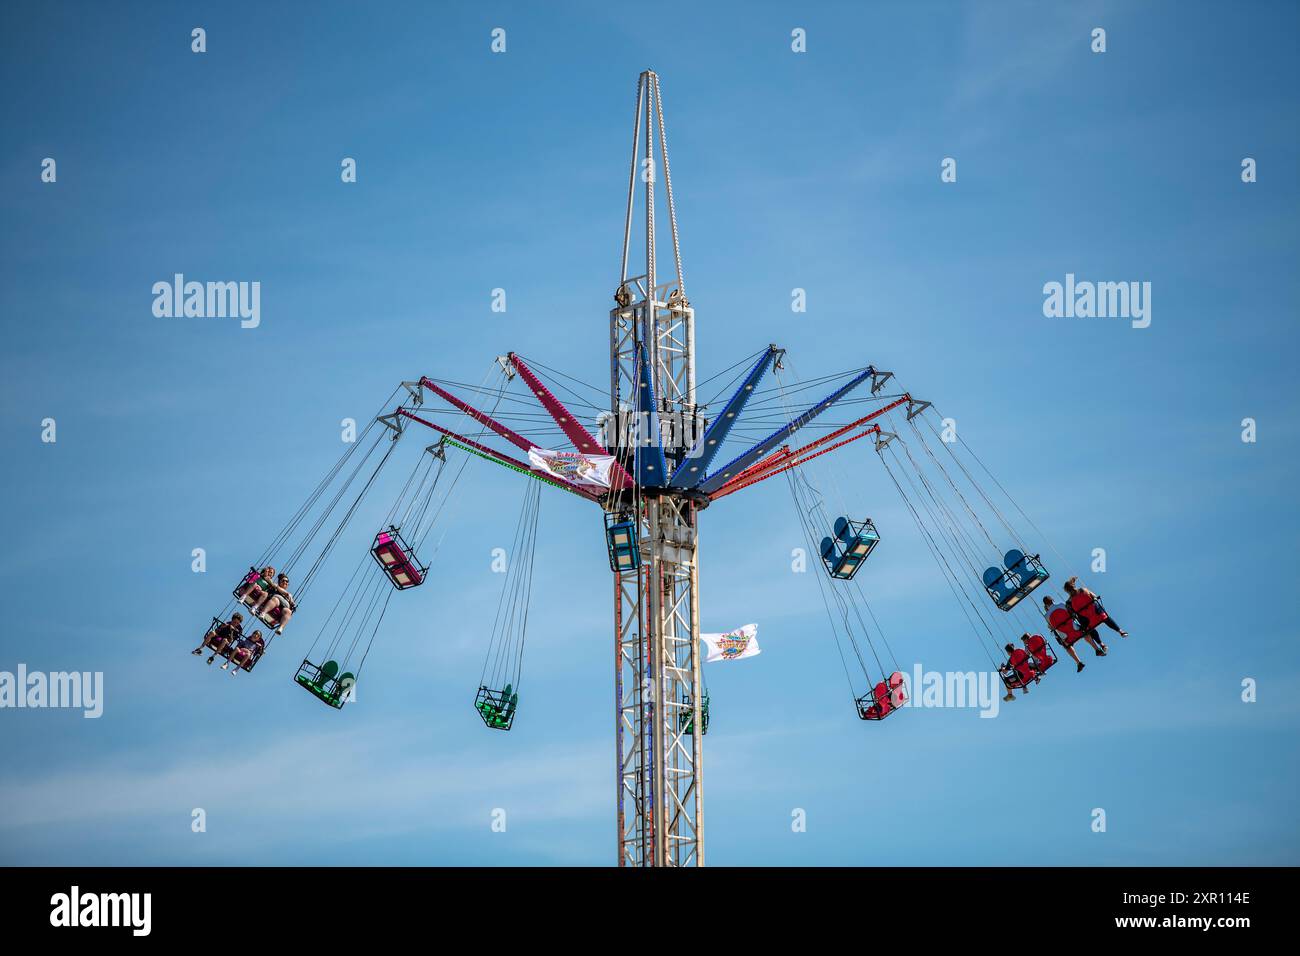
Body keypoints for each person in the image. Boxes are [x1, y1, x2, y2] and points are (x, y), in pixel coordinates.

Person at [1043, 595, 1106, 671]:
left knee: (1067, 647)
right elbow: (1072, 614)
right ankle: (1096, 649)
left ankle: (1078, 662)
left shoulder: (1046, 616)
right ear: (1052, 599)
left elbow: (1051, 627)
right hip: (1075, 629)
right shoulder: (1061, 605)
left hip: (1066, 636)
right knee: (1085, 633)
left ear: (1045, 605)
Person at [1063, 576, 1128, 638]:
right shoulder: (1075, 596)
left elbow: (1094, 596)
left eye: (1070, 589)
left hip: (1091, 615)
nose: (1071, 591)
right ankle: (1114, 635)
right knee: (1098, 622)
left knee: (1098, 622)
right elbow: (1094, 597)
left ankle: (1115, 635)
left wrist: (1094, 599)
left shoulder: (1076, 595)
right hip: (1091, 614)